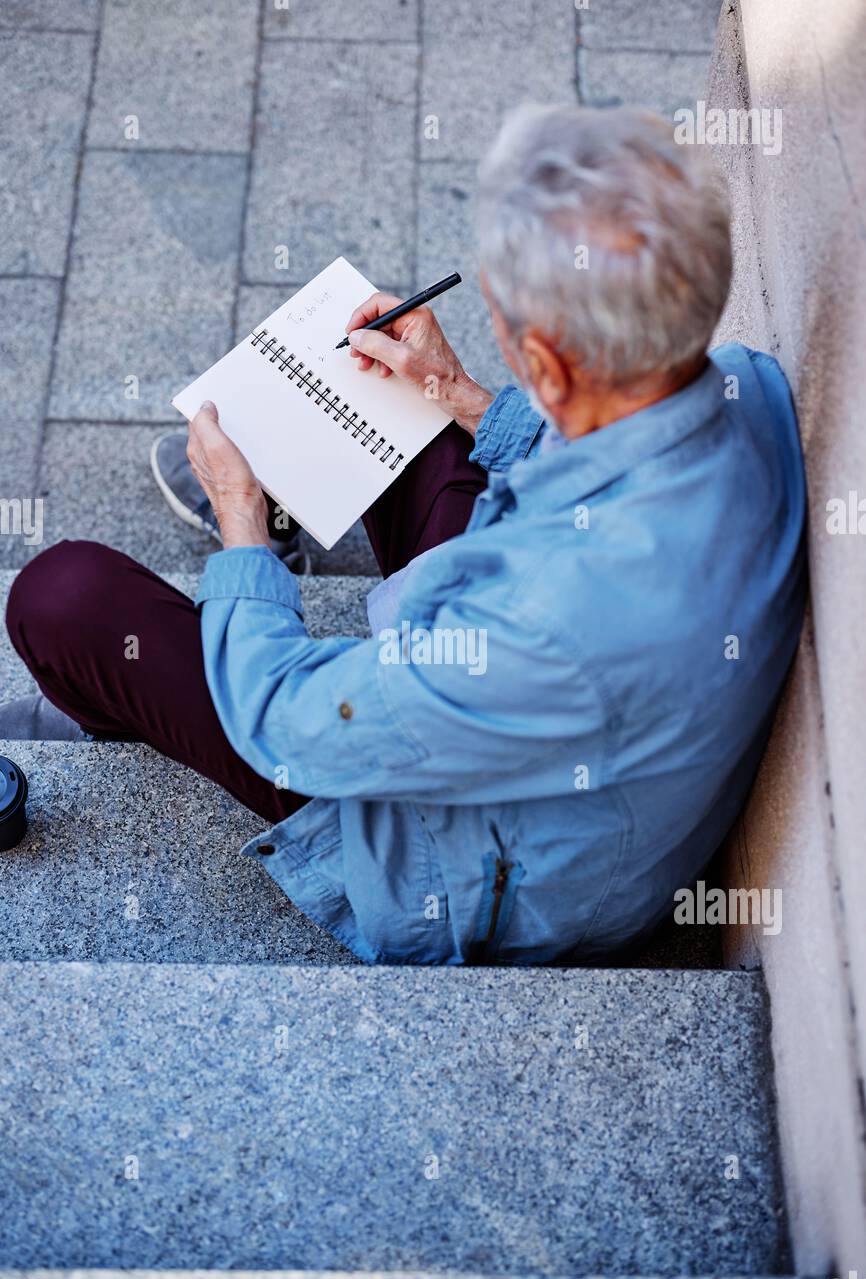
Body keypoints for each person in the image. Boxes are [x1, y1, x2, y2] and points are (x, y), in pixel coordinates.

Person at [3, 105, 806, 964]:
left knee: (63, 598)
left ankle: (116, 707)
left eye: (504, 316)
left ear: (554, 368)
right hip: (575, 712)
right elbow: (615, 452)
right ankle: (190, 623)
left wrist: (244, 528)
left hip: (473, 866)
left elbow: (287, 721)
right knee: (393, 398)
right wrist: (458, 392)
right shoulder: (745, 389)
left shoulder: (533, 629)